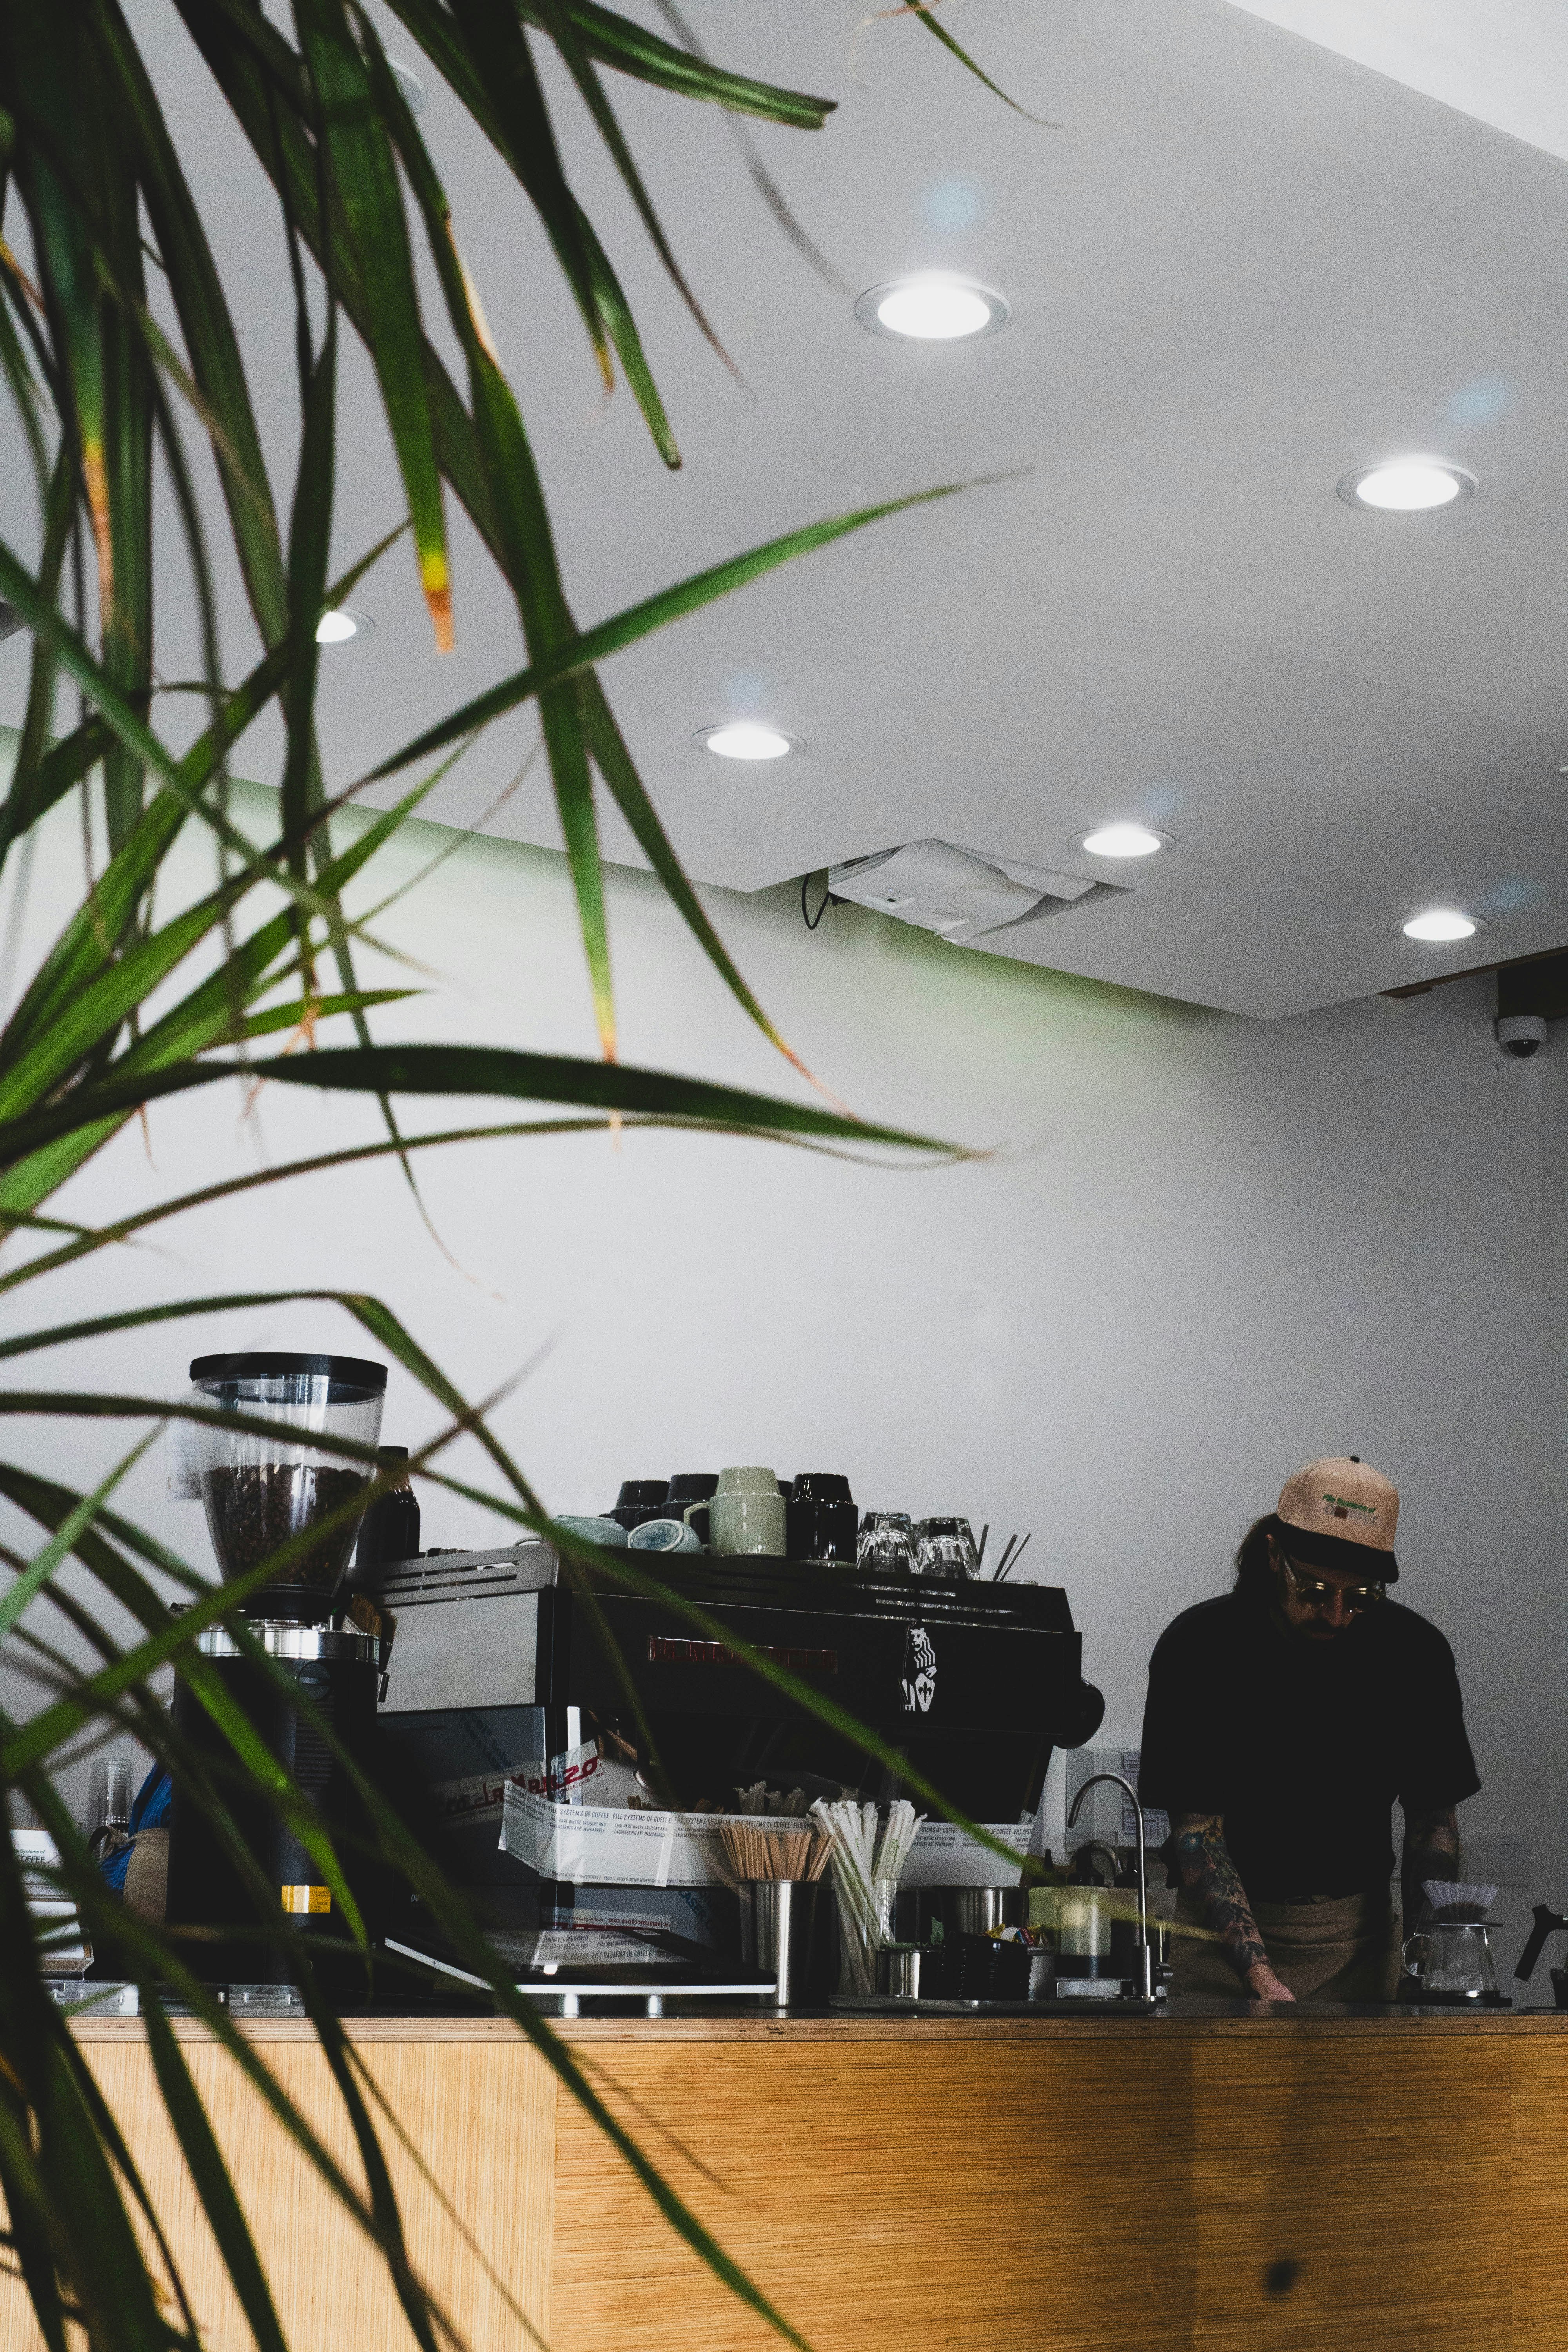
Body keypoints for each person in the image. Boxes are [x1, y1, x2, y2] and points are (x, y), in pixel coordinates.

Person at [1138, 1455, 1478, 2003]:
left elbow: (1432, 1826)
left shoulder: (1416, 1654)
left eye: (1361, 1597)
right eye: (1316, 1592)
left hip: (1359, 1943)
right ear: (1275, 1556)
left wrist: (1423, 1964)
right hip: (1223, 1949)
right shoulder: (1200, 1647)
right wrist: (1260, 1977)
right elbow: (1199, 1833)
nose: (1337, 1615)